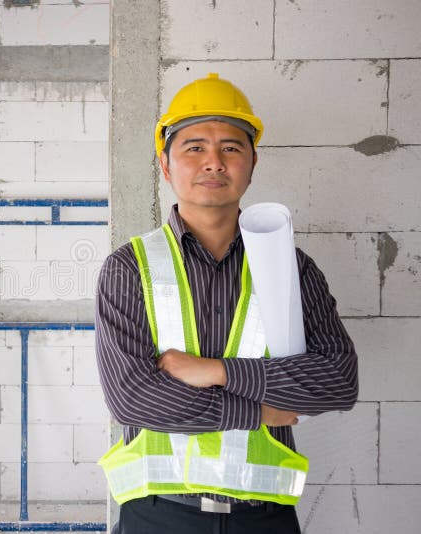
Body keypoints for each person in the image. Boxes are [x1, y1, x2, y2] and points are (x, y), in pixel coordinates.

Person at [95, 73, 358, 533]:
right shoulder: (128, 268)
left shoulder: (291, 268)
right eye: (194, 147)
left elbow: (337, 382)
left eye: (231, 148)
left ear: (252, 163)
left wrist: (216, 371)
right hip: (157, 518)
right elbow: (132, 398)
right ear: (165, 163)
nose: (213, 161)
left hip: (264, 521)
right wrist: (257, 412)